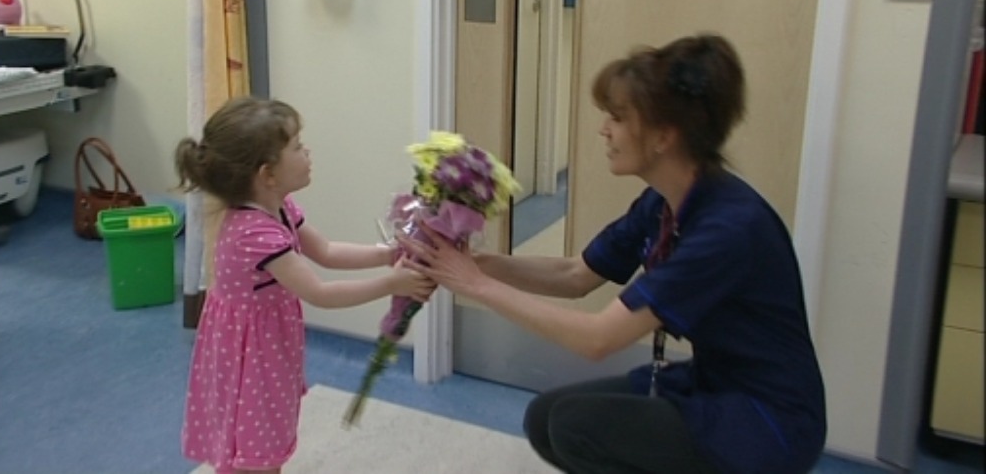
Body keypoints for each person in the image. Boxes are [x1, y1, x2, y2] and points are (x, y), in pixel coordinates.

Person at [398, 34, 827, 474]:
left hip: (768, 418)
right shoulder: (664, 202)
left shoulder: (729, 228)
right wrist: (474, 264)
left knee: (574, 427)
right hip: (711, 382)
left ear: (664, 136)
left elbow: (598, 339)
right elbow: (574, 275)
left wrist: (474, 284)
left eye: (618, 117)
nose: (604, 129)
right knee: (546, 418)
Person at [175, 96, 436, 474]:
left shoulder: (280, 206)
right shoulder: (254, 232)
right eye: (297, 146)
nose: (308, 152)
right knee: (255, 445)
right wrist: (391, 282)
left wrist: (387, 254)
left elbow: (327, 252)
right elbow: (319, 292)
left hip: (268, 341)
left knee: (265, 439)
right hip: (250, 352)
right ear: (267, 173)